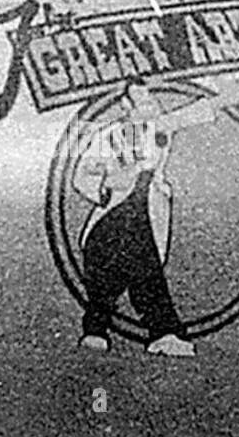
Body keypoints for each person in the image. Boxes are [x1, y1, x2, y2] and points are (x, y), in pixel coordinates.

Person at [71, 81, 195, 357]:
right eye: (141, 102)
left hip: (145, 208)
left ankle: (164, 334)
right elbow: (82, 176)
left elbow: (194, 112)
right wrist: (106, 184)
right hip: (113, 213)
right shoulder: (108, 137)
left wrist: (225, 98)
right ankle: (96, 331)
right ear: (126, 106)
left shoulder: (159, 128)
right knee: (107, 276)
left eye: (151, 100)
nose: (150, 106)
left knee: (146, 273)